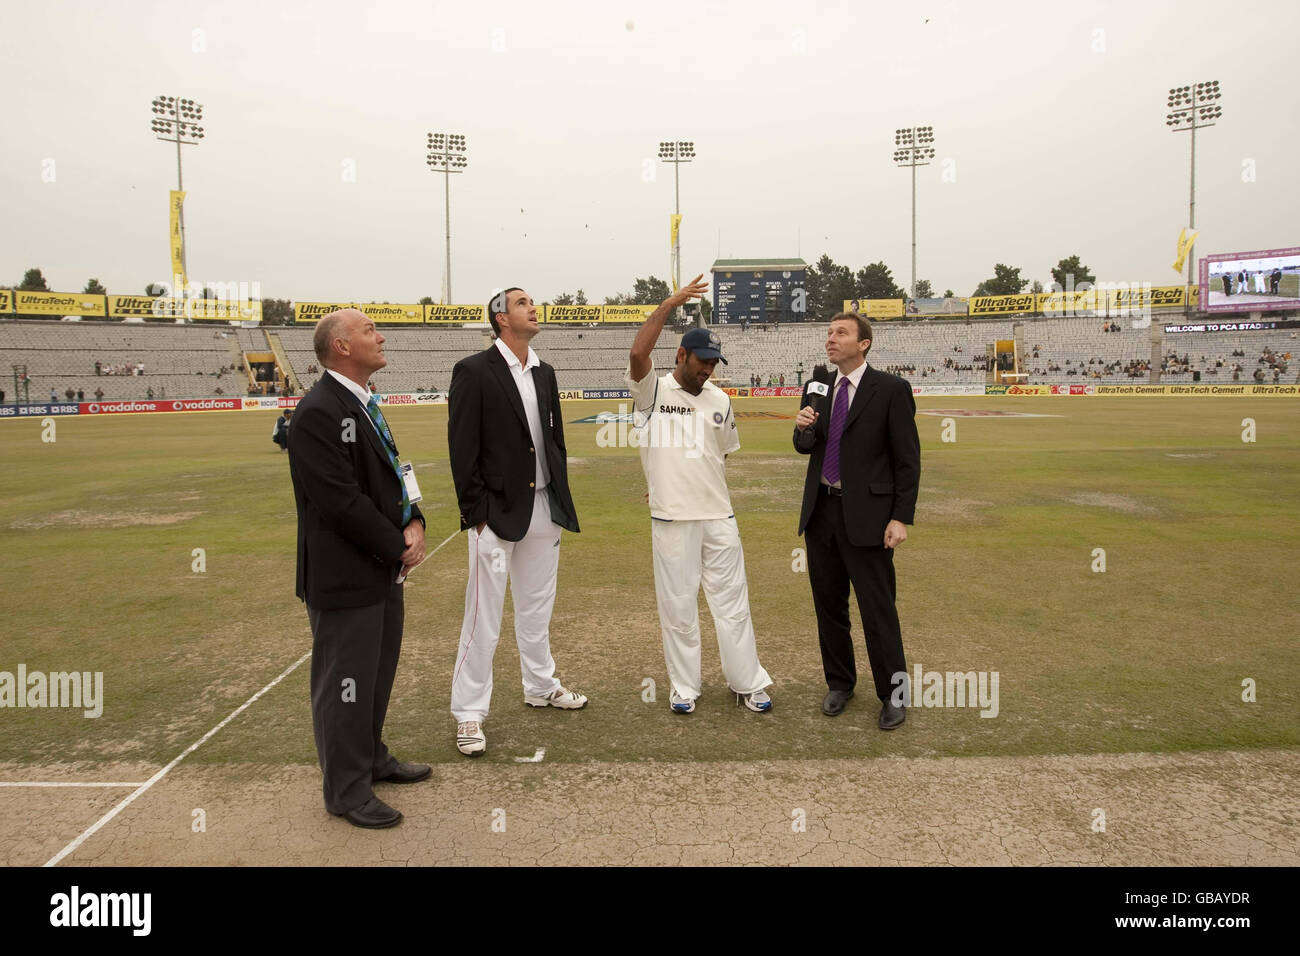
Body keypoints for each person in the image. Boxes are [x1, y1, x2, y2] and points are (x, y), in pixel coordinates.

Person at [287, 309, 430, 830]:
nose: (382, 335)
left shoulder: (361, 403)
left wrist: (414, 519)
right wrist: (398, 544)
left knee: (373, 676)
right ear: (342, 347)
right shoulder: (319, 411)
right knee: (344, 683)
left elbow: (392, 473)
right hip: (346, 577)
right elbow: (341, 502)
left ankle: (371, 759)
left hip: (379, 568)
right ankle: (346, 791)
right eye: (371, 330)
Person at [446, 286, 586, 758]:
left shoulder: (544, 372)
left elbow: (555, 441)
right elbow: (462, 451)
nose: (533, 307)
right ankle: (469, 712)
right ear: (501, 318)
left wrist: (560, 496)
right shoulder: (472, 371)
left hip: (544, 508)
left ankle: (540, 685)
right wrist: (477, 516)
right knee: (483, 617)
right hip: (496, 516)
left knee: (537, 608)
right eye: (523, 303)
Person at [625, 275, 773, 715]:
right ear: (681, 355)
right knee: (678, 607)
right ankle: (684, 687)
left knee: (732, 603)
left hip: (718, 516)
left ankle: (747, 681)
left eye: (713, 363)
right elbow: (637, 353)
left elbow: (720, 457)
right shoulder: (653, 391)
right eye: (701, 362)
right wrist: (671, 302)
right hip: (672, 518)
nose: (708, 369)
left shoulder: (720, 400)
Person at [793, 313, 920, 730]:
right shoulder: (819, 386)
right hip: (822, 513)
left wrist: (900, 517)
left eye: (841, 333)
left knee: (878, 610)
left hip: (868, 517)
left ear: (863, 343)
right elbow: (803, 446)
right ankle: (840, 683)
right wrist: (803, 427)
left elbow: (907, 461)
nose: (831, 339)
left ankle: (894, 695)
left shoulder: (891, 389)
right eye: (829, 333)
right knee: (829, 608)